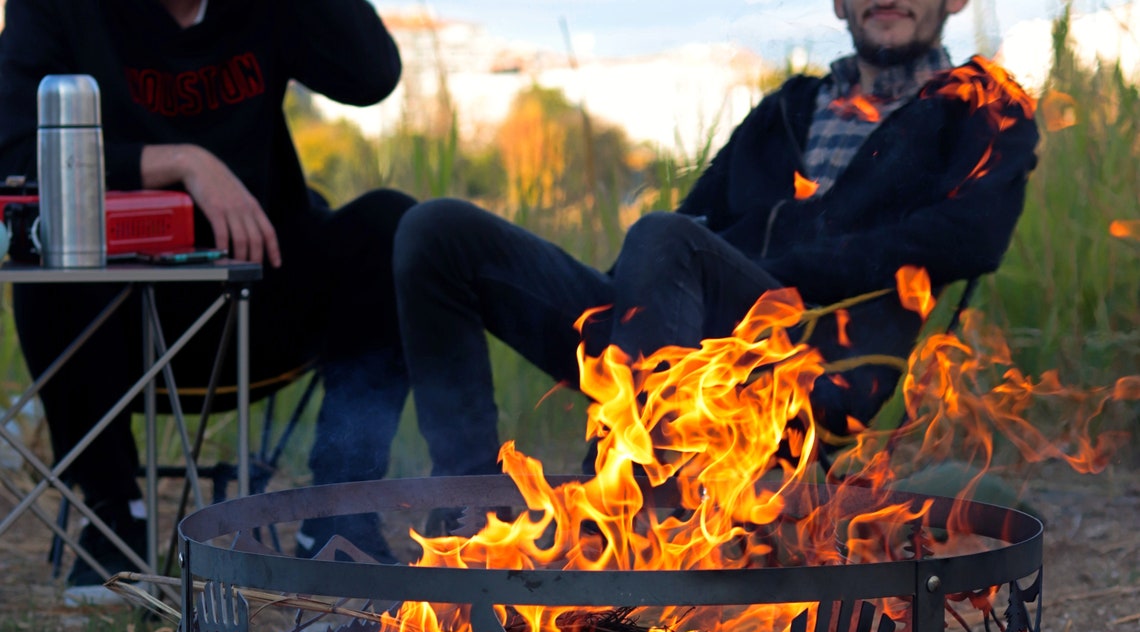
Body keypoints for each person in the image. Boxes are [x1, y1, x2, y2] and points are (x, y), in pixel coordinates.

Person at [392, 0, 1039, 494]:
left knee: (666, 238)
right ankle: (465, 502)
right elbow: (692, 218)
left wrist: (773, 273)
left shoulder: (979, 105)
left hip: (807, 364)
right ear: (839, 4)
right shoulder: (788, 108)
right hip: (674, 337)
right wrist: (613, 312)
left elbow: (971, 236)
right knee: (438, 230)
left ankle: (629, 500)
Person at [0, 0, 414, 599]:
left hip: (263, 294)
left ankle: (338, 514)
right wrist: (182, 163)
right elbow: (13, 153)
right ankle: (114, 518)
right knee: (51, 251)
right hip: (114, 327)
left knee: (394, 226)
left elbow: (373, 76)